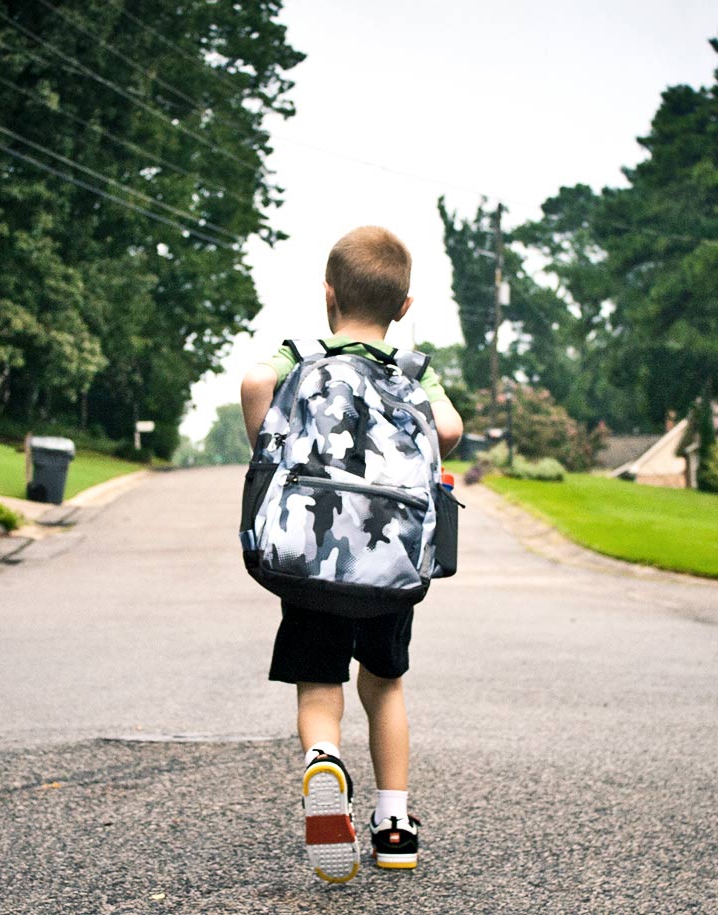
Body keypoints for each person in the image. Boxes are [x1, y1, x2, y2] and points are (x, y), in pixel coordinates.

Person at [240, 226, 464, 883]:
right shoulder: (414, 371)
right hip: (391, 560)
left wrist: (270, 444)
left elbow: (257, 382)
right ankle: (394, 824)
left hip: (310, 556)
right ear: (404, 308)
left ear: (329, 295)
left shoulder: (297, 356)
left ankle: (323, 758)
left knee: (320, 681)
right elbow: (447, 428)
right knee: (385, 682)